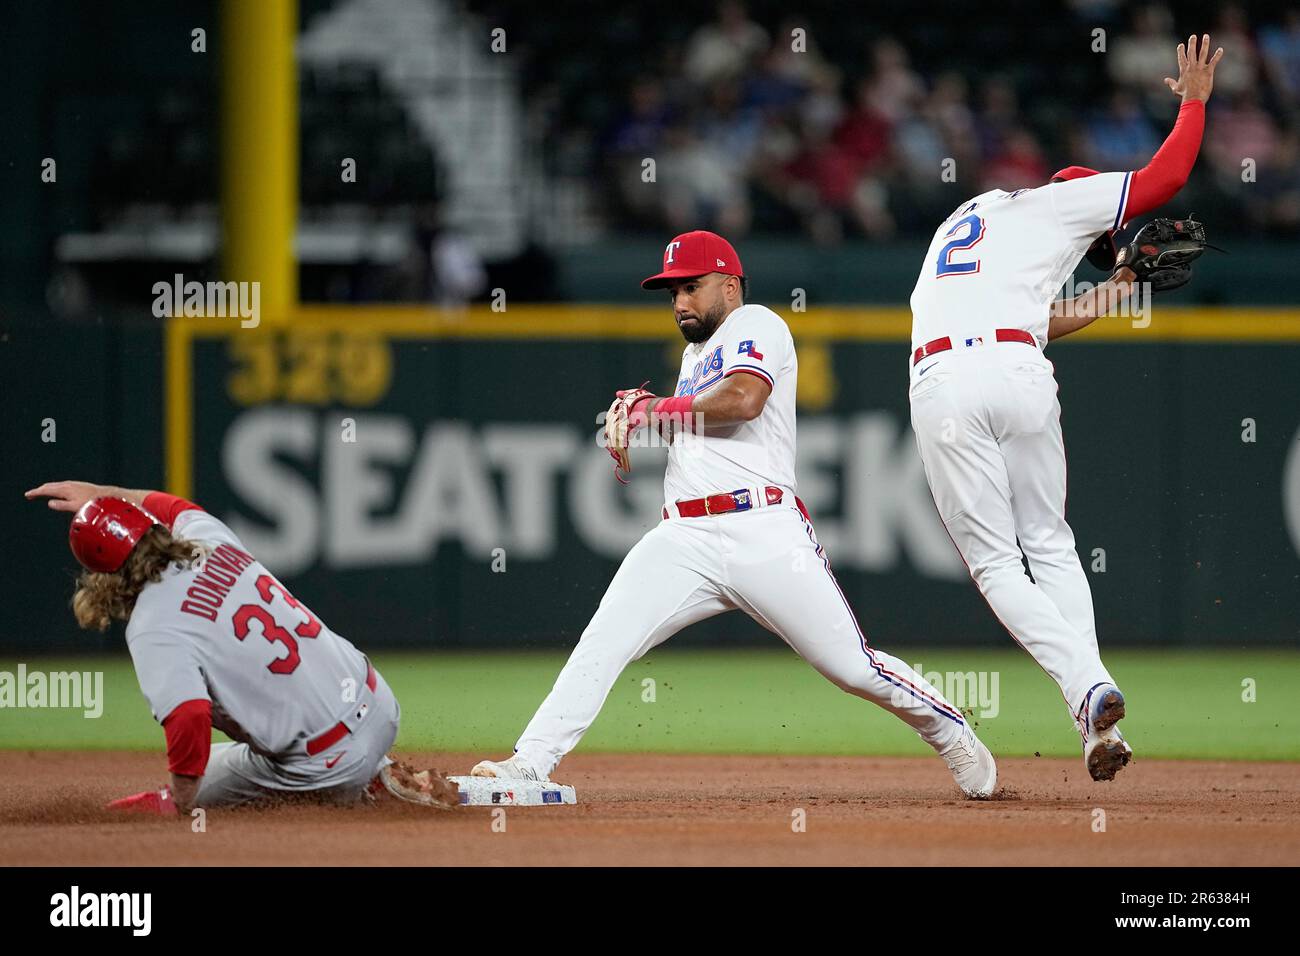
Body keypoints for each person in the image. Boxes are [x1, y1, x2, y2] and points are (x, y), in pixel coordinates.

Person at [471, 230, 998, 799]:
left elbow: (744, 402)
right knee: (604, 640)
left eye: (690, 288)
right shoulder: (694, 355)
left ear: (729, 284)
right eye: (672, 292)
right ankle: (531, 762)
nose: (679, 303)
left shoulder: (759, 325)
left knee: (852, 666)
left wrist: (654, 409)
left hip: (763, 531)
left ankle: (951, 730)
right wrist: (646, 422)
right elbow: (696, 423)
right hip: (683, 536)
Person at [906, 35, 1223, 781]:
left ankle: (1090, 701)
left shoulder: (972, 216)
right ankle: (1090, 705)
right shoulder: (1065, 200)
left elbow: (1030, 313)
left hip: (945, 376)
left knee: (995, 562)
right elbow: (1166, 175)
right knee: (1048, 542)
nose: (1104, 241)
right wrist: (1197, 101)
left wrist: (1112, 291)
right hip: (1017, 372)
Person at [25, 480, 457, 813]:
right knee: (237, 738)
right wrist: (103, 493)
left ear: (103, 574)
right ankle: (375, 770)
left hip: (326, 764)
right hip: (379, 702)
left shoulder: (152, 627)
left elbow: (189, 715)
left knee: (195, 792)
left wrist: (181, 798)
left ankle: (366, 786)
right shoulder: (205, 535)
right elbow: (167, 505)